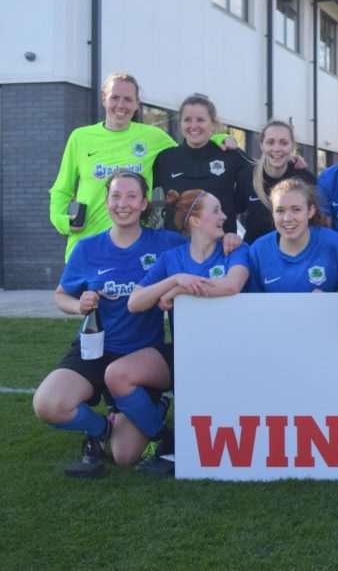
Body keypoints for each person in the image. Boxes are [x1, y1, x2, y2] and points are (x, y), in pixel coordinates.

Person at [33, 170, 183, 477]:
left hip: (140, 356)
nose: (122, 203)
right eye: (115, 196)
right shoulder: (87, 248)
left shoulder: (166, 243)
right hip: (95, 349)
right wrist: (79, 304)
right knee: (48, 405)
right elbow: (61, 296)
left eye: (131, 196)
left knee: (125, 455)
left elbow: (203, 251)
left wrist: (230, 239)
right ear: (106, 201)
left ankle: (153, 413)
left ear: (144, 204)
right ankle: (100, 428)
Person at [128, 188, 251, 475]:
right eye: (216, 210)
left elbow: (232, 286)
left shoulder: (235, 249)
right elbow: (135, 302)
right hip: (186, 355)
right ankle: (162, 434)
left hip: (232, 355)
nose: (224, 217)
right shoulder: (172, 259)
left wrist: (181, 290)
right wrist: (174, 279)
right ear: (195, 221)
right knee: (118, 375)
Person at [49, 72, 177, 260]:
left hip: (136, 247)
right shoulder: (80, 137)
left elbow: (189, 154)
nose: (121, 105)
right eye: (114, 98)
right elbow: (61, 190)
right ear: (103, 99)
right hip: (88, 245)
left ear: (136, 104)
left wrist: (219, 139)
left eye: (128, 99)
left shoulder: (153, 137)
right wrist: (62, 221)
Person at [152, 94, 250, 247]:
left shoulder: (230, 155)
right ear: (180, 123)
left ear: (213, 123)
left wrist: (289, 162)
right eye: (187, 120)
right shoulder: (166, 159)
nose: (193, 126)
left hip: (221, 249)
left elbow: (262, 175)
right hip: (176, 249)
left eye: (200, 120)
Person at [247, 178, 338, 293]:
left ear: (310, 211)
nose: (287, 219)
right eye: (280, 211)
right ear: (273, 213)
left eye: (296, 209)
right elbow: (252, 304)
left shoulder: (336, 245)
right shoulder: (258, 251)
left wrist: (329, 303)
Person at [236, 121, 316, 244]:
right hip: (256, 254)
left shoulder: (304, 178)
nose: (277, 149)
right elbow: (231, 210)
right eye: (270, 142)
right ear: (262, 145)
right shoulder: (247, 176)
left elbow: (316, 222)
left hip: (295, 254)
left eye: (284, 143)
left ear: (292, 146)